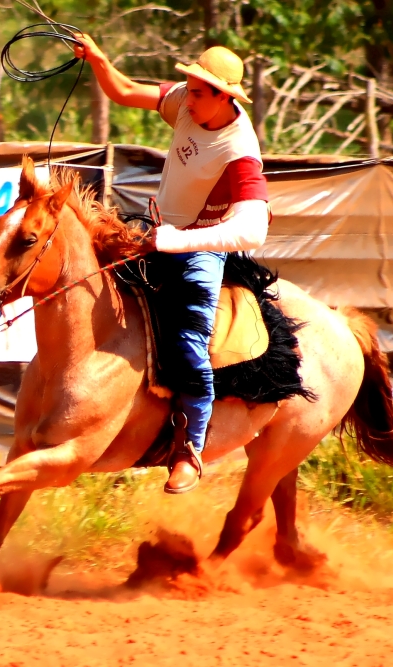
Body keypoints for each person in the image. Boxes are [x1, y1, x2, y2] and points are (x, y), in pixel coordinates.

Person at [72, 36, 271, 494]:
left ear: (225, 97)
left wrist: (182, 241)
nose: (188, 96)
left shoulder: (240, 150)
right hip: (159, 229)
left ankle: (189, 449)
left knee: (188, 343)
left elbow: (253, 230)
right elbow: (123, 92)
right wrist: (100, 59)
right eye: (188, 86)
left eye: (199, 91)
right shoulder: (188, 101)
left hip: (202, 245)